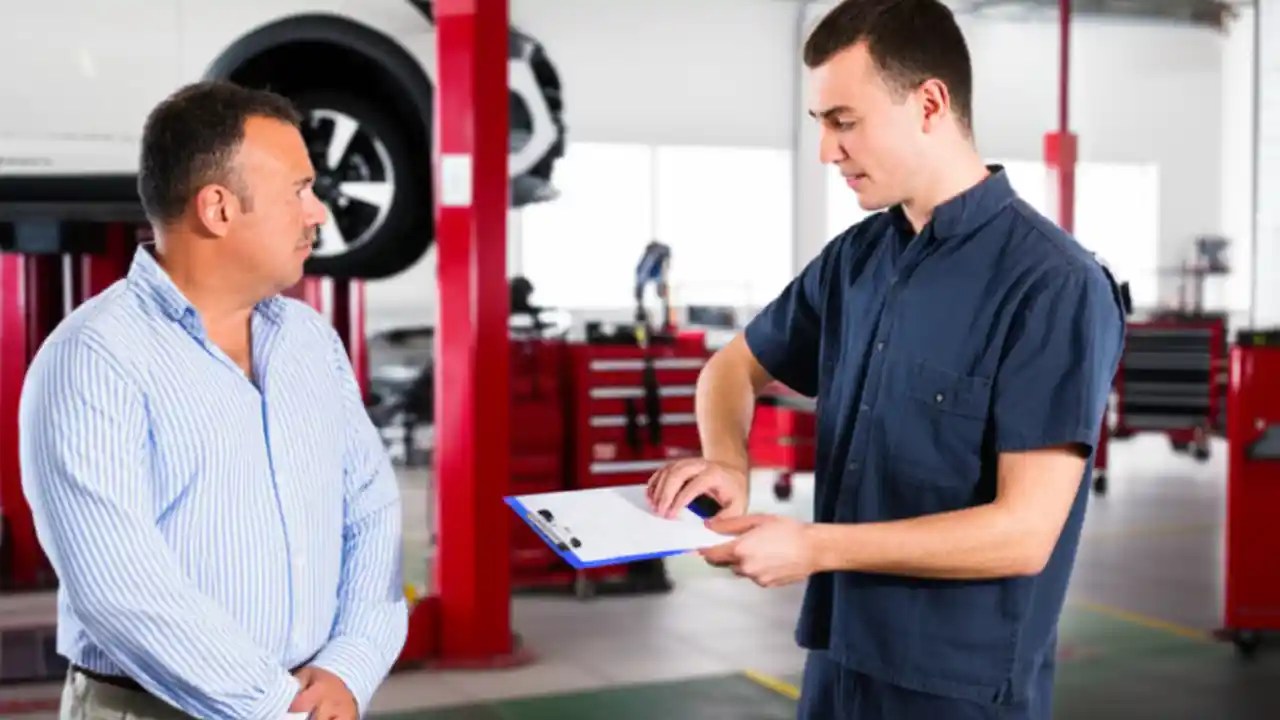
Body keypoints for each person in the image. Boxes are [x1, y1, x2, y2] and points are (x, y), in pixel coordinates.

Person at [647, 1, 1126, 718]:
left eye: (844, 121)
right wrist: (730, 464)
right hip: (838, 665)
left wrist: (814, 547)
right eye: (820, 125)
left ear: (929, 102)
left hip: (956, 693)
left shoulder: (1052, 284)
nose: (827, 151)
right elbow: (731, 368)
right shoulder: (857, 260)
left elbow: (1025, 534)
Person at [19, 81, 407, 719]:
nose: (319, 212)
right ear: (218, 208)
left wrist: (350, 666)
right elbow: (120, 587)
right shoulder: (94, 357)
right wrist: (277, 706)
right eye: (300, 191)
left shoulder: (309, 341)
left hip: (316, 700)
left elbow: (372, 510)